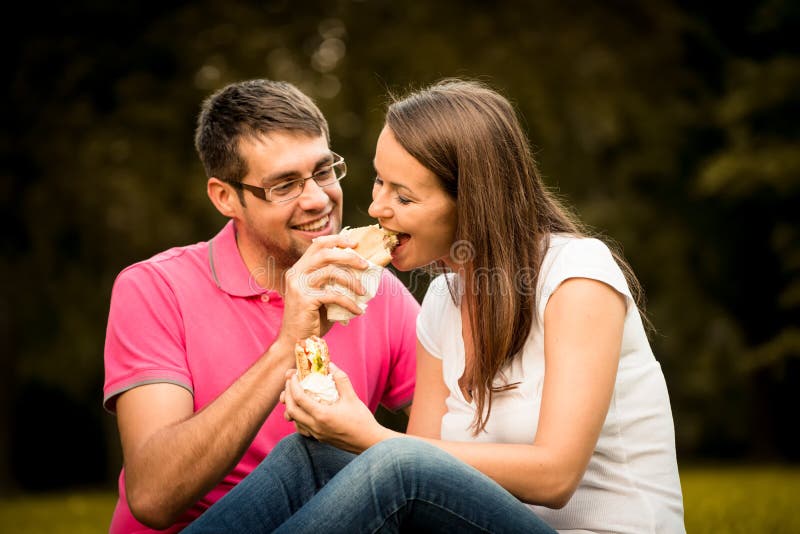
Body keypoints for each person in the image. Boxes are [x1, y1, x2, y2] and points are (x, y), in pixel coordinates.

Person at [185, 78, 686, 533]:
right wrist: (350, 428)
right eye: (379, 181)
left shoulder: (577, 277)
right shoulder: (444, 302)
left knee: (397, 464)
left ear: (472, 201)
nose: (377, 207)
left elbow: (555, 475)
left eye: (403, 196)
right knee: (309, 456)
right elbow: (423, 479)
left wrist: (366, 435)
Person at [102, 79, 420, 533]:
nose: (317, 199)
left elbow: (448, 447)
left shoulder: (375, 288)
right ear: (225, 197)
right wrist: (288, 344)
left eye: (323, 171)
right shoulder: (155, 288)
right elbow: (153, 495)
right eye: (284, 185)